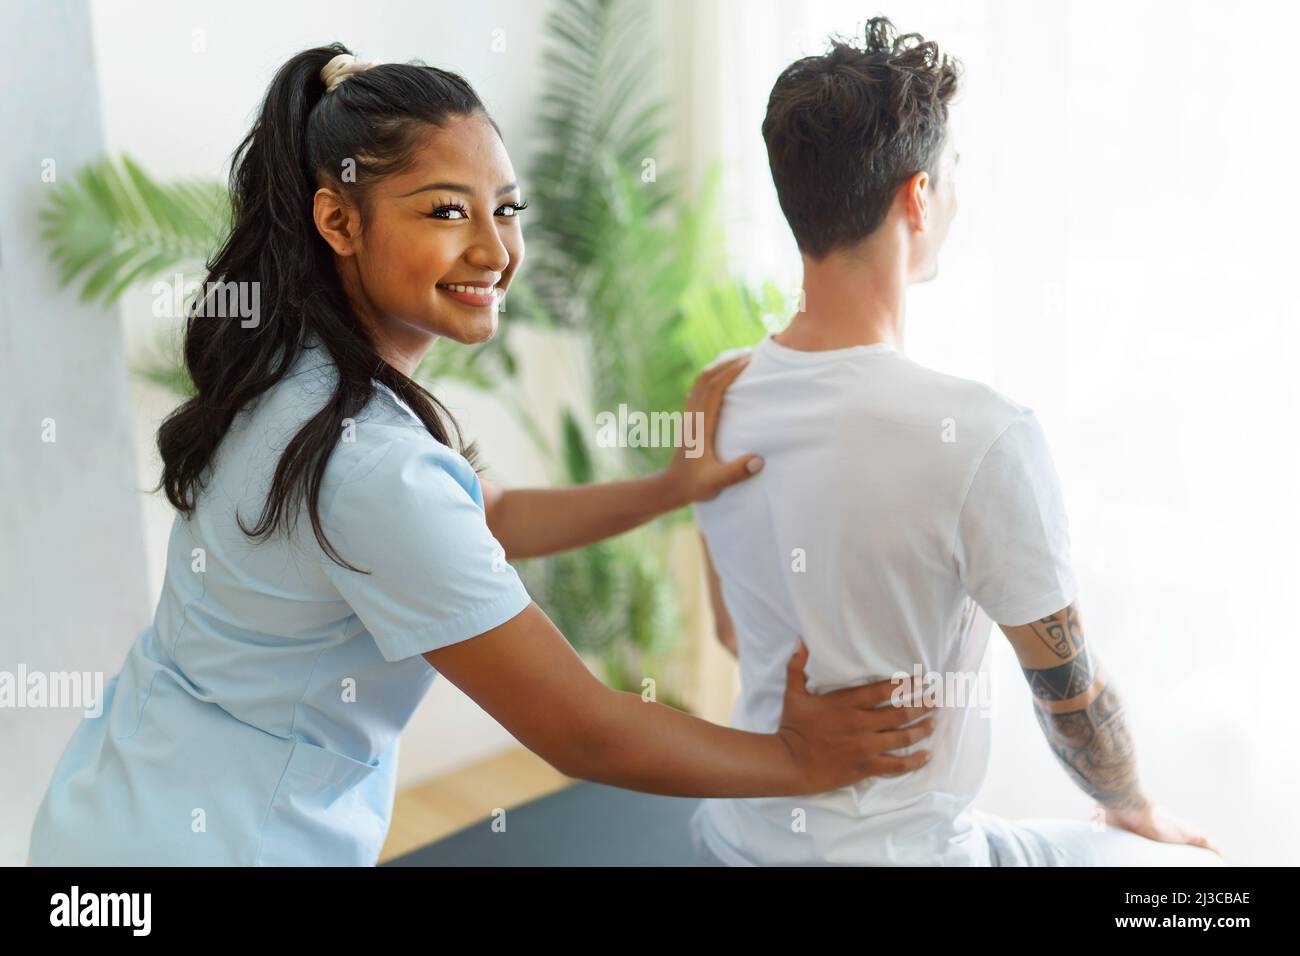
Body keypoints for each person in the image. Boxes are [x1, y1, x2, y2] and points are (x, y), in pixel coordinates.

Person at [26, 45, 938, 867]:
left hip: (106, 810)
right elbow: (582, 729)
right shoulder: (369, 465)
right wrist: (797, 759)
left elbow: (486, 516)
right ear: (338, 221)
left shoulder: (285, 374)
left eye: (506, 209)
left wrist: (671, 487)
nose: (496, 250)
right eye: (446, 211)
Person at [689, 18, 1222, 867]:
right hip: (909, 856)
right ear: (919, 197)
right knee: (1201, 882)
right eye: (953, 177)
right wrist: (1137, 806)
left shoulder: (713, 395)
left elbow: (731, 631)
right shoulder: (982, 433)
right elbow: (1071, 699)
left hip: (736, 837)